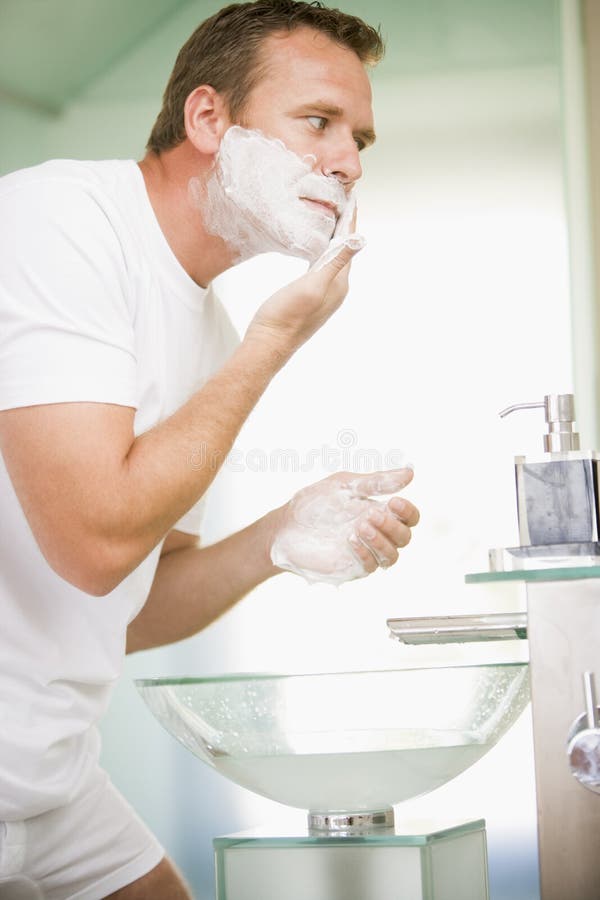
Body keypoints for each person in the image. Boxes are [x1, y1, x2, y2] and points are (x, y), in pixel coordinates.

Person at [0, 1, 419, 897]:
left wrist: (278, 536)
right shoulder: (57, 222)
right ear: (207, 119)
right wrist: (275, 345)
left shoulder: (211, 329)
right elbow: (93, 544)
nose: (347, 162)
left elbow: (131, 603)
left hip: (48, 775)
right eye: (318, 122)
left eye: (360, 140)